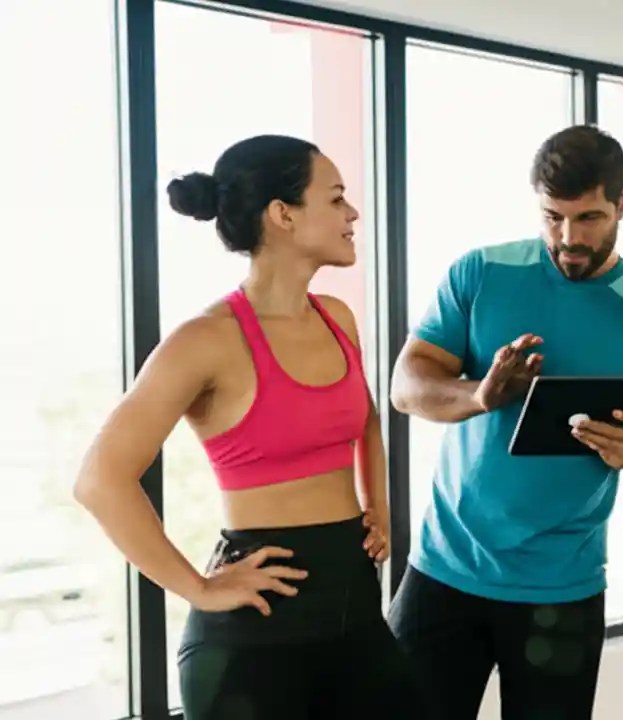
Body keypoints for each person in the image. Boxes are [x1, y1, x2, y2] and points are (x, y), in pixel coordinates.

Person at [73, 135, 421, 719]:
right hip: (257, 635)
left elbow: (363, 421)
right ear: (283, 215)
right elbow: (100, 480)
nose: (352, 213)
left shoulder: (337, 318)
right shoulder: (205, 339)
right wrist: (200, 588)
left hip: (354, 610)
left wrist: (377, 502)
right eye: (335, 199)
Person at [387, 124, 623, 719]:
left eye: (589, 219)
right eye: (553, 217)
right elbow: (406, 388)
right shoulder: (480, 273)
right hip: (443, 573)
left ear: (622, 207)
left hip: (562, 589)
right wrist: (482, 395)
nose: (568, 239)